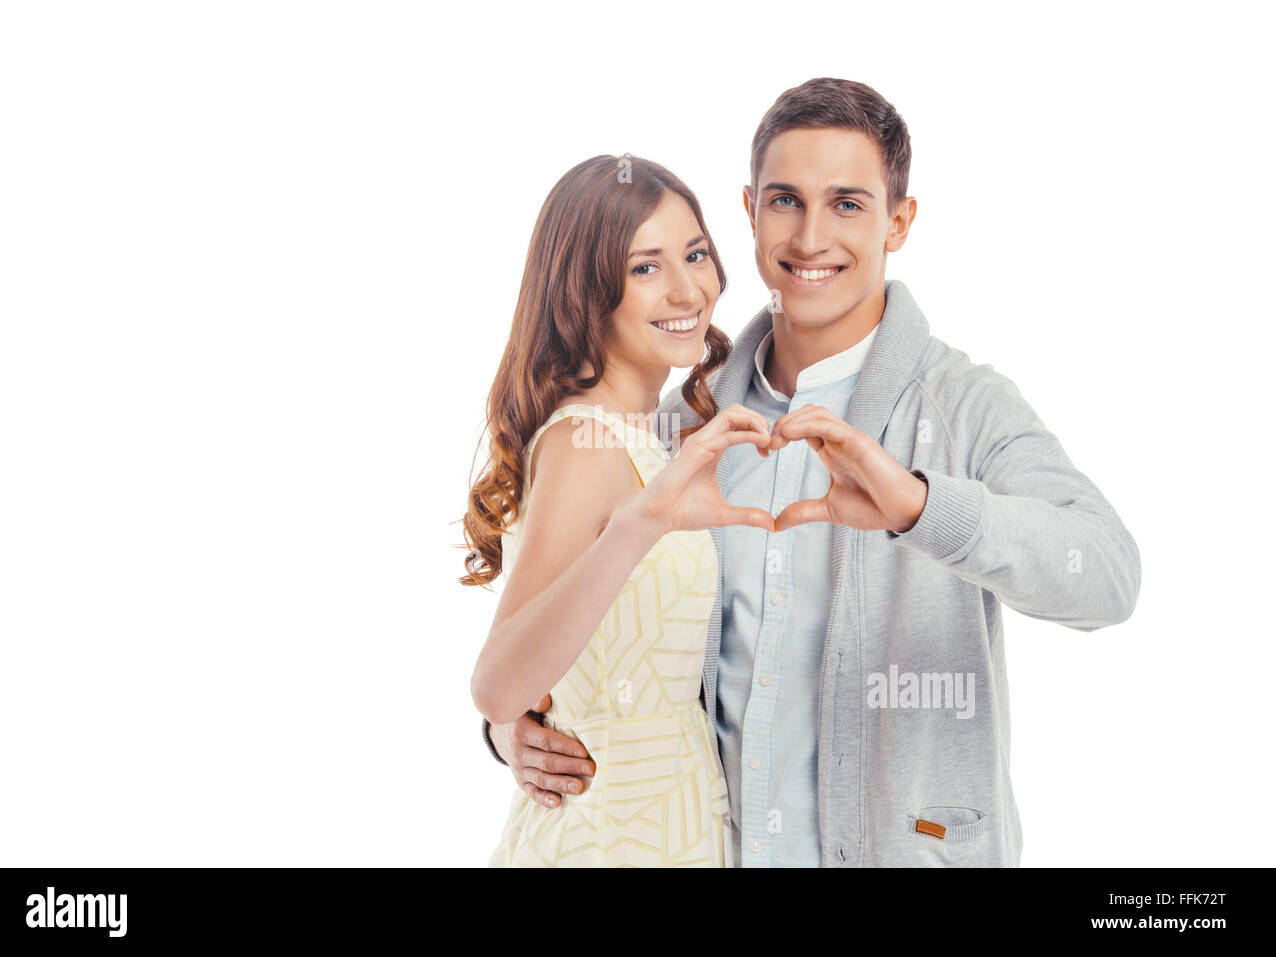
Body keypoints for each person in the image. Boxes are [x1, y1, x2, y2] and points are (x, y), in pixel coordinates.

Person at [481, 78, 1141, 867]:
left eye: (849, 204)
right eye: (786, 200)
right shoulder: (687, 423)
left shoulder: (965, 406)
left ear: (900, 222)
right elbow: (614, 631)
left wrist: (921, 508)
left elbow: (1106, 574)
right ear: (751, 210)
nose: (810, 237)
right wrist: (518, 725)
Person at [461, 154, 780, 866]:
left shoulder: (641, 437)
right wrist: (641, 525)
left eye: (695, 253)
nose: (687, 287)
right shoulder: (586, 442)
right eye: (645, 267)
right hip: (609, 839)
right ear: (586, 292)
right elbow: (498, 683)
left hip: (667, 829)